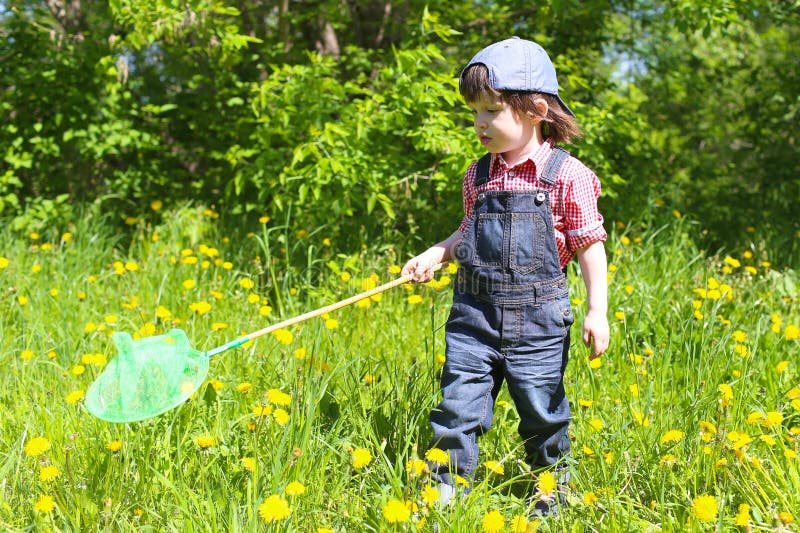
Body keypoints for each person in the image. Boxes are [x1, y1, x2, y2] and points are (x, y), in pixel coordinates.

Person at [402, 36, 610, 515]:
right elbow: (468, 232)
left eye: (491, 111)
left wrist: (597, 310)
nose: (479, 124)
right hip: (473, 316)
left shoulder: (566, 175)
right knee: (458, 406)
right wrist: (438, 252)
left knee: (541, 410)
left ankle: (552, 490)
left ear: (536, 109)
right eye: (474, 113)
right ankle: (446, 489)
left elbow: (589, 245)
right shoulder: (477, 175)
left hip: (538, 320)